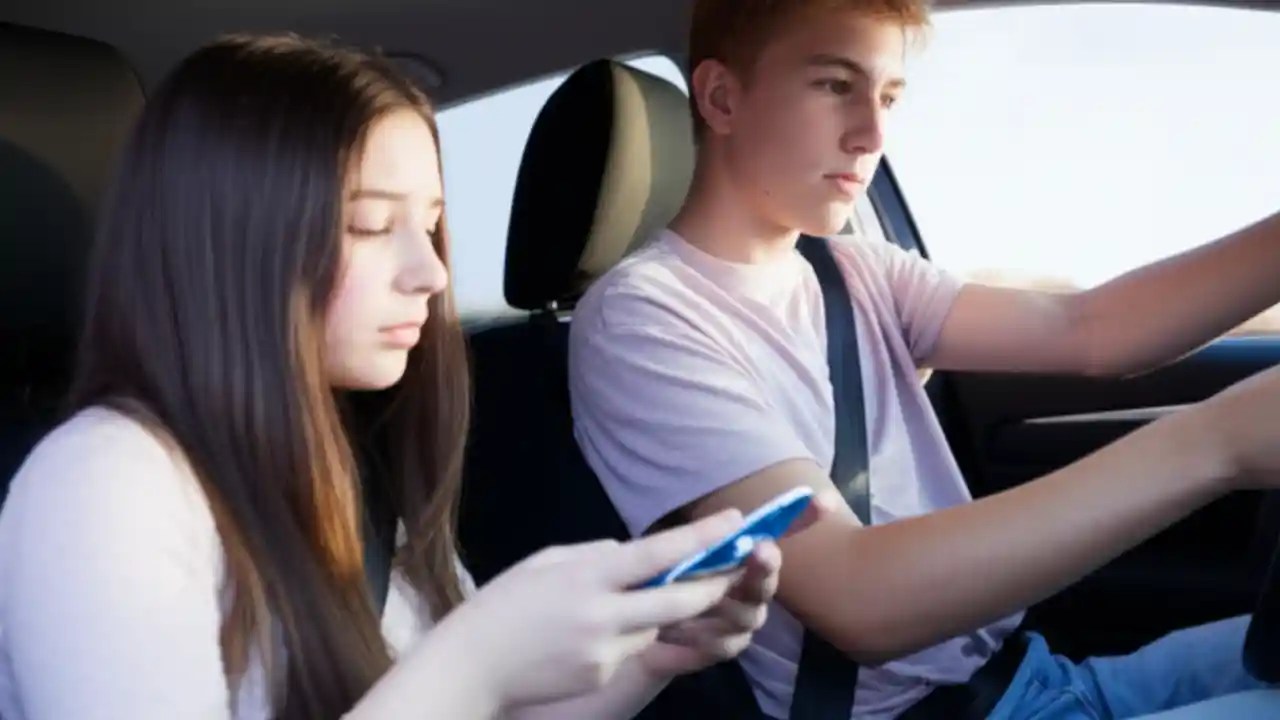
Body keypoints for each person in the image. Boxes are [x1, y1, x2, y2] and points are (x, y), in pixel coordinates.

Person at [0, 33, 793, 720]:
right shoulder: (103, 481)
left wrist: (653, 655)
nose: (431, 272)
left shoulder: (353, 468)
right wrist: (477, 658)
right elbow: (462, 688)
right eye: (372, 225)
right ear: (231, 244)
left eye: (432, 223)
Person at [566, 0, 1280, 718]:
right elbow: (857, 596)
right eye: (835, 85)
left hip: (1035, 683)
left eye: (888, 97)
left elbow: (1089, 329)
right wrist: (1215, 443)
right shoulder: (644, 318)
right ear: (722, 98)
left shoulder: (853, 271)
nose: (872, 135)